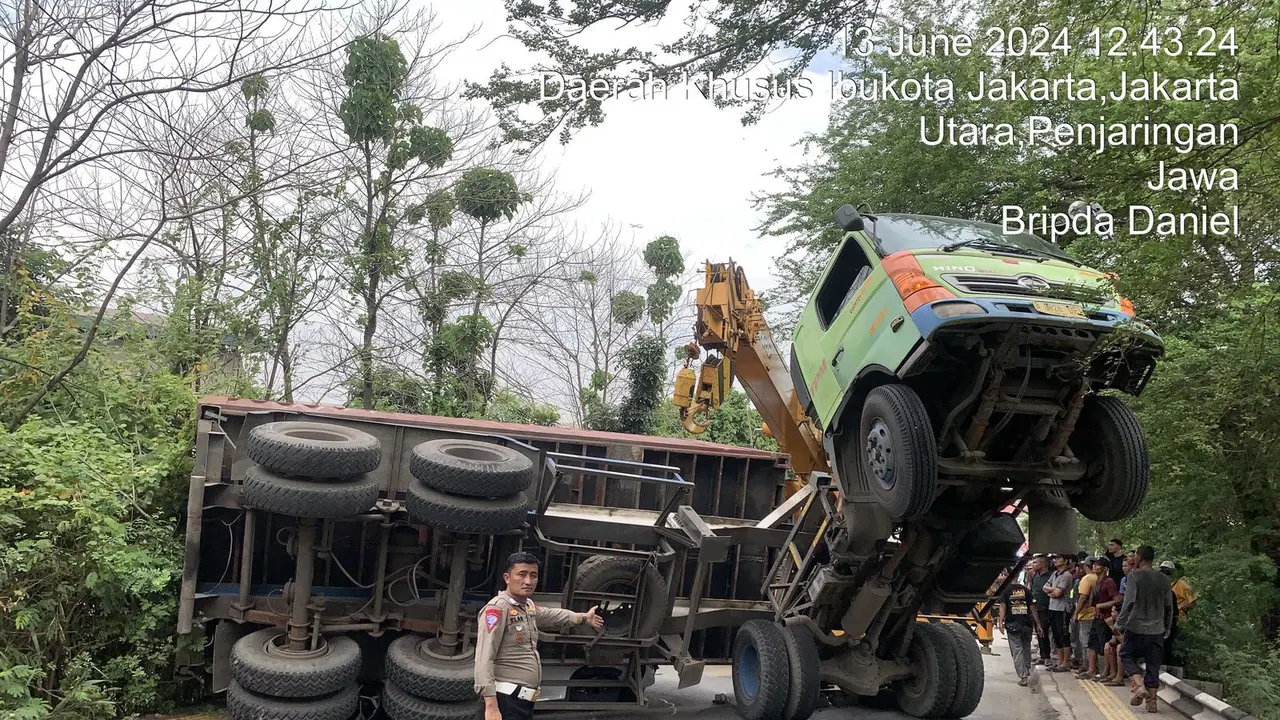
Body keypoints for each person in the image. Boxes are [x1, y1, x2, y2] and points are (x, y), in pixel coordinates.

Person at [475, 551, 605, 720]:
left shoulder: (526, 606)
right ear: (507, 578)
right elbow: (484, 658)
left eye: (533, 575)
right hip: (504, 702)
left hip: (522, 703)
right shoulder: (497, 609)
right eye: (522, 575)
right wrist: (491, 706)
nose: (528, 581)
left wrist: (583, 617)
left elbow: (552, 615)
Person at [1116, 545, 1174, 714]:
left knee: (1126, 654)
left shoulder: (1134, 576)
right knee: (1153, 664)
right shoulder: (1164, 579)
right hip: (1156, 629)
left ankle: (1139, 686)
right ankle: (1152, 702)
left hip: (1135, 627)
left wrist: (1120, 623)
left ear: (1139, 557)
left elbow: (1129, 602)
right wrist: (1167, 627)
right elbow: (1169, 606)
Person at [998, 573, 1037, 689]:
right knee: (1026, 647)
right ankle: (1027, 670)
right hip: (1027, 625)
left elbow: (1003, 606)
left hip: (1013, 625)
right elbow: (1033, 608)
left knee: (1017, 651)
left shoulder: (1006, 591)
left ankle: (1023, 676)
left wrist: (1001, 621)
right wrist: (1038, 624)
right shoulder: (1026, 590)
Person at [1087, 557, 1119, 681]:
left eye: (1098, 564)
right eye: (1094, 564)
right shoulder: (1097, 581)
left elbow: (1117, 600)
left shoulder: (1109, 581)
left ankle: (1108, 671)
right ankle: (1092, 669)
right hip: (1097, 617)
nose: (1095, 566)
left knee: (1105, 644)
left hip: (1106, 618)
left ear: (1105, 568)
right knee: (1093, 642)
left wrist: (1101, 606)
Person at [1159, 560, 1196, 668]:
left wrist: (1183, 609)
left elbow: (1193, 602)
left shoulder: (1183, 586)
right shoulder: (1163, 584)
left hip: (1177, 619)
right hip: (1162, 618)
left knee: (1173, 645)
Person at [1043, 554, 1075, 672]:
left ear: (1065, 560)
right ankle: (1059, 661)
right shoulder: (1055, 574)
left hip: (1062, 609)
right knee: (1056, 635)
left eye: (1057, 558)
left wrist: (1052, 590)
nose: (1055, 560)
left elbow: (1058, 593)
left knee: (1063, 635)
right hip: (1053, 608)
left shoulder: (1066, 575)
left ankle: (1066, 662)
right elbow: (1045, 587)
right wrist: (1053, 590)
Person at [1028, 555, 1052, 666]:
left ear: (1043, 564)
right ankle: (1042, 655)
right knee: (1039, 631)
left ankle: (1047, 656)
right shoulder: (1034, 576)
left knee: (1044, 631)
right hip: (1035, 607)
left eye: (1036, 562)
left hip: (1046, 607)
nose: (1034, 565)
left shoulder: (1051, 576)